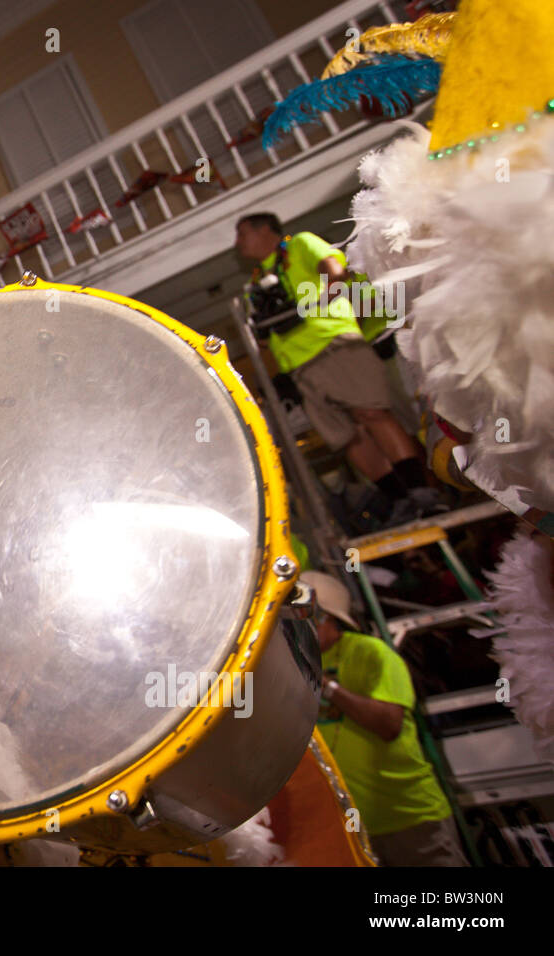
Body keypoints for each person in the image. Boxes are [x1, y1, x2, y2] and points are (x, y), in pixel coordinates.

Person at [235, 213, 444, 527]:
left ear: (263, 230)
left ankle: (423, 493)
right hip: (299, 366)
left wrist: (324, 295)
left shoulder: (299, 245)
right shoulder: (255, 282)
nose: (238, 244)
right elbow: (264, 337)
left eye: (241, 235)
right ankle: (401, 499)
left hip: (333, 344)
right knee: (346, 437)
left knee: (372, 414)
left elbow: (335, 268)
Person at [302, 571, 468, 866]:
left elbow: (388, 724)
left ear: (325, 617)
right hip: (347, 827)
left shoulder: (370, 652)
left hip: (407, 819)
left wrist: (329, 687)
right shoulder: (297, 665)